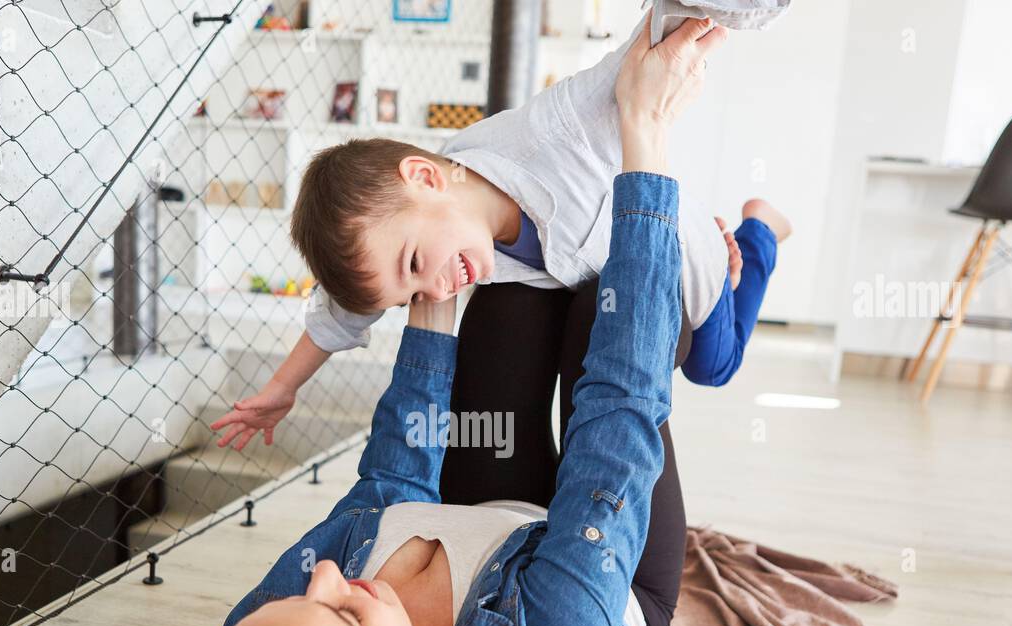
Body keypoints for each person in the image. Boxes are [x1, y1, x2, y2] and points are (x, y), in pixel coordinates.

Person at [117, 16, 747, 626]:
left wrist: (435, 302)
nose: (326, 572)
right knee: (601, 323)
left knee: (505, 293)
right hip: (607, 559)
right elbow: (617, 419)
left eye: (296, 596)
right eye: (340, 609)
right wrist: (647, 144)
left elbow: (389, 480)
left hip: (486, 516)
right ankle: (753, 245)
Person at [210, 3, 791, 454]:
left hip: (687, 258)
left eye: (415, 266)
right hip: (597, 287)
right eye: (413, 296)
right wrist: (284, 387)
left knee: (713, 367)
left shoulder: (565, 128)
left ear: (424, 176)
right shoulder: (430, 226)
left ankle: (759, 229)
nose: (436, 293)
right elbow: (344, 308)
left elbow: (662, 27)